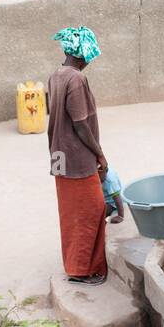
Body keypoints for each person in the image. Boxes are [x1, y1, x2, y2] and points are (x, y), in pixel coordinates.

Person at [47, 26, 109, 285]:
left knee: (70, 211)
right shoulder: (76, 79)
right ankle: (82, 270)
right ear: (82, 54)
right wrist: (100, 154)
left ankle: (75, 262)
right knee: (91, 210)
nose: (88, 63)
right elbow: (81, 123)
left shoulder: (56, 75)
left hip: (58, 156)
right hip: (76, 157)